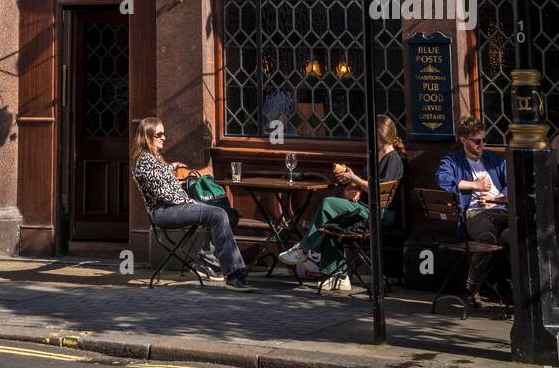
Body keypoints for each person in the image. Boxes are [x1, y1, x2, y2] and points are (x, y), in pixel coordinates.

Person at [278, 115, 406, 291]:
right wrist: (354, 187)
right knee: (330, 223)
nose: (368, 139)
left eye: (372, 135)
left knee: (328, 203)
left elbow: (379, 190)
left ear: (380, 135)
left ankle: (305, 249)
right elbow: (364, 185)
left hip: (379, 213)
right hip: (365, 207)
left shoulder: (393, 159)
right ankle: (340, 276)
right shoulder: (374, 155)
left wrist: (356, 180)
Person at [131, 116, 252, 292]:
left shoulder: (154, 158)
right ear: (149, 137)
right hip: (164, 211)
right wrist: (193, 202)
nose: (164, 137)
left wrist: (174, 166)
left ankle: (208, 259)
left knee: (229, 214)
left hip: (175, 205)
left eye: (164, 133)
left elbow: (164, 174)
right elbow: (165, 195)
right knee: (217, 214)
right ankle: (234, 275)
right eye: (160, 134)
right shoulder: (145, 161)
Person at [437, 115, 509, 309]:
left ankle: (514, 289)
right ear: (463, 140)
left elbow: (510, 183)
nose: (482, 144)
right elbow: (443, 180)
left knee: (518, 235)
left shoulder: (492, 158)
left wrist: (498, 199)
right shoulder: (453, 160)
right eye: (477, 141)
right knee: (487, 239)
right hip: (475, 213)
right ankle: (471, 288)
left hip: (501, 210)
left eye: (484, 140)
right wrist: (474, 185)